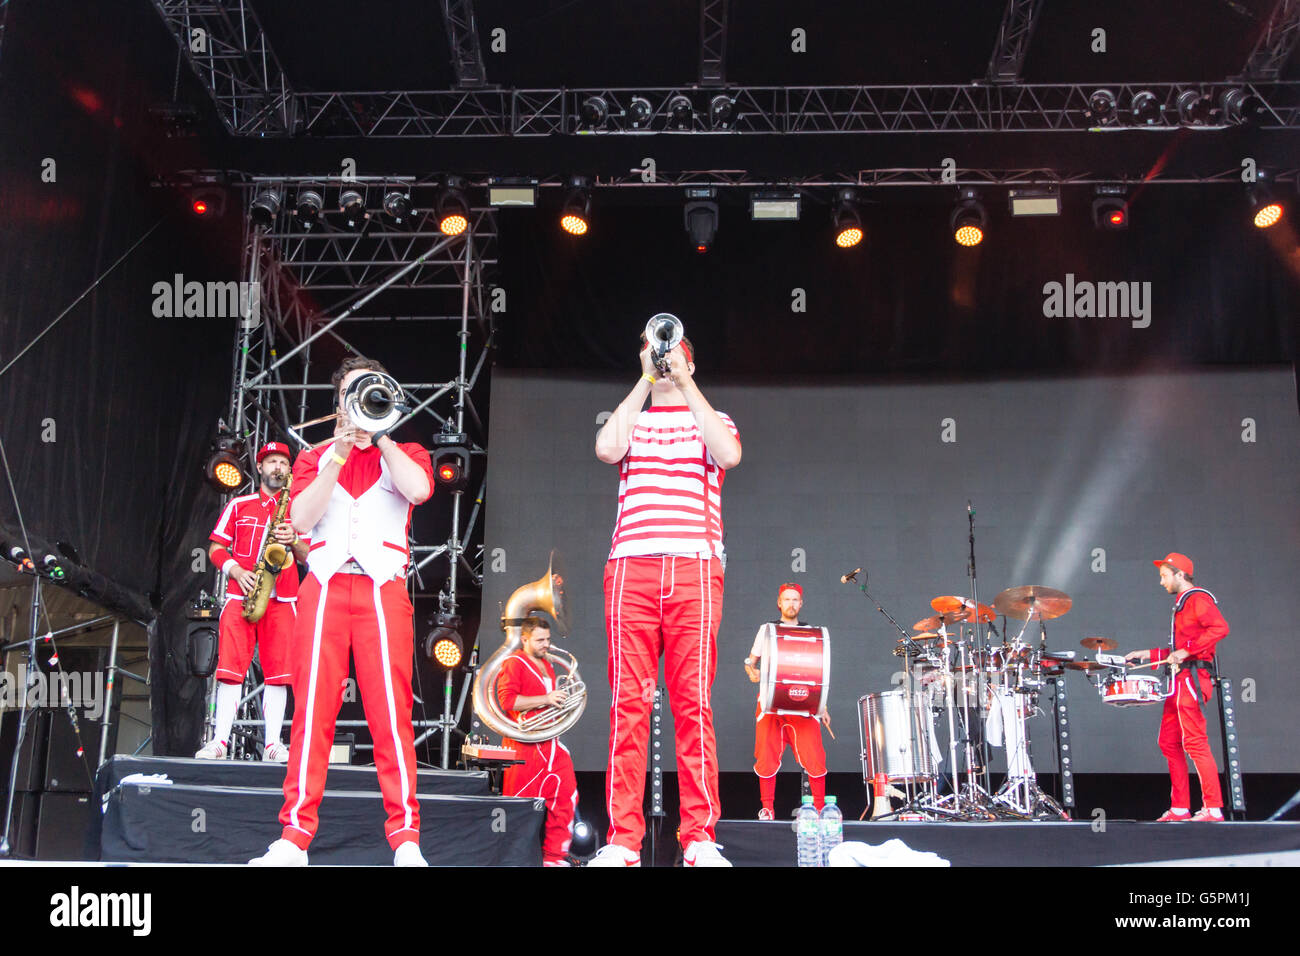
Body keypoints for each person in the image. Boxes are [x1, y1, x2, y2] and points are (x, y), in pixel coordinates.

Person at [249, 358, 434, 866]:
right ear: (338, 404)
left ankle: (406, 839)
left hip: (382, 590)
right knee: (311, 714)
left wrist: (383, 434)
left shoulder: (405, 452)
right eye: (355, 392)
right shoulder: (313, 458)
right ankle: (294, 838)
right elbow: (303, 518)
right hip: (326, 585)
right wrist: (340, 450)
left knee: (391, 717)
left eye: (373, 391)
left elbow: (419, 490)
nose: (364, 400)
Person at [589, 329, 741, 867]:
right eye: (650, 349)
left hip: (695, 566)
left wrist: (682, 378)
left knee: (692, 704)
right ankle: (623, 841)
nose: (660, 354)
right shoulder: (632, 415)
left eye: (672, 350)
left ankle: (699, 836)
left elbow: (729, 454)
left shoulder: (713, 419)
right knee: (628, 705)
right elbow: (607, 448)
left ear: (691, 363)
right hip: (632, 564)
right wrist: (648, 377)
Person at [199, 441, 308, 762]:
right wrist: (235, 569)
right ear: (259, 468)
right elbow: (216, 547)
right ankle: (219, 741)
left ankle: (273, 743)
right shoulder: (239, 505)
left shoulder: (299, 509)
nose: (277, 467)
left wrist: (295, 540)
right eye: (271, 462)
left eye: (283, 463)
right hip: (240, 595)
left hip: (283, 599)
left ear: (290, 471)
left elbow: (312, 556)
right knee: (230, 670)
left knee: (280, 674)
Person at [1124, 552, 1229, 823]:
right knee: (1169, 742)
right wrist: (1147, 654)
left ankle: (1213, 808)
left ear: (1180, 575)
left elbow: (1219, 628)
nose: (1161, 582)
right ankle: (1180, 807)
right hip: (1178, 681)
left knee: (1195, 742)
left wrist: (1185, 653)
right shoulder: (1183, 603)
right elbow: (1176, 650)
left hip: (1191, 680)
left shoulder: (1197, 599)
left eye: (1164, 576)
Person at [495, 615, 579, 866]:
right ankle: (515, 859)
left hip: (551, 742)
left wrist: (558, 704)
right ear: (524, 639)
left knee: (566, 797)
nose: (546, 644)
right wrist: (547, 699)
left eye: (548, 639)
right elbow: (507, 701)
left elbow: (549, 700)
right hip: (524, 746)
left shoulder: (549, 664)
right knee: (521, 807)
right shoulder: (514, 662)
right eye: (540, 640)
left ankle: (554, 858)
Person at [744, 583, 831, 820]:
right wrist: (751, 670)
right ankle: (767, 809)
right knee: (766, 756)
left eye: (795, 600)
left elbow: (816, 672)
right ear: (779, 602)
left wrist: (822, 705)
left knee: (815, 757)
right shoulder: (767, 630)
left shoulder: (812, 633)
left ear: (801, 604)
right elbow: (750, 662)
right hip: (771, 706)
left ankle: (822, 810)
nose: (791, 604)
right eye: (787, 599)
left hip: (803, 706)